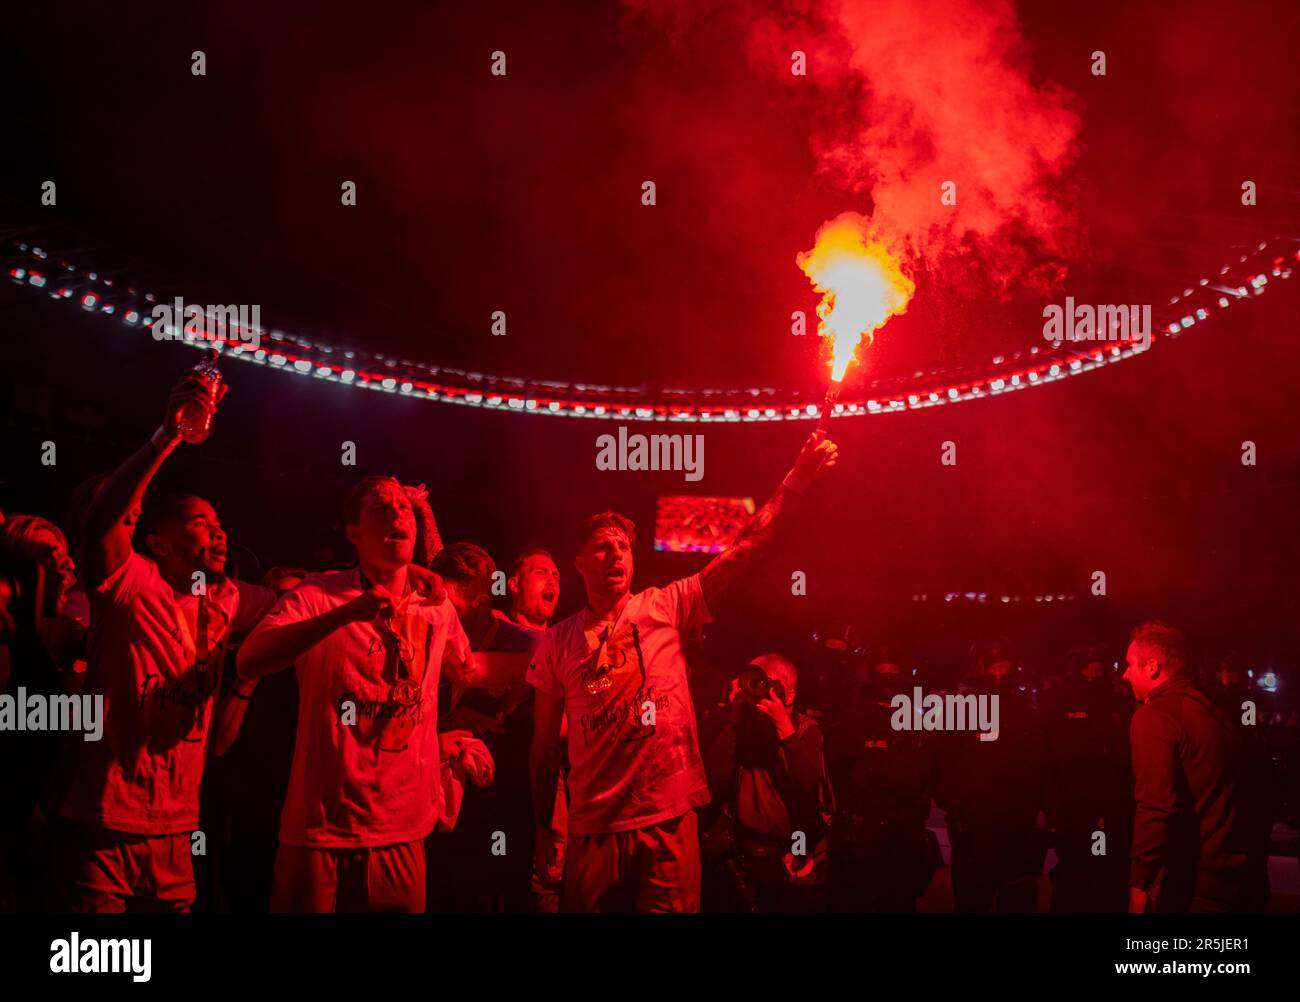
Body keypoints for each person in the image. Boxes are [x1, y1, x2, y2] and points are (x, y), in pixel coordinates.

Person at [527, 429, 838, 912]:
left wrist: (795, 480)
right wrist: (546, 828)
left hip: (667, 822)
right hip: (593, 829)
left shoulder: (667, 606)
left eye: (623, 547)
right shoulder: (557, 641)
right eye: (603, 547)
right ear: (580, 562)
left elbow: (744, 547)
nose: (615, 555)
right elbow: (545, 748)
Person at [49, 370, 276, 912]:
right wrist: (168, 435)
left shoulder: (224, 598)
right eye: (200, 523)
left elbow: (303, 599)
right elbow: (103, 518)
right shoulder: (131, 582)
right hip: (105, 818)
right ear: (156, 541)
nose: (218, 532)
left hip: (177, 826)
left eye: (219, 523)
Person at [237, 476, 478, 913]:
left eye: (404, 507)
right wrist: (345, 614)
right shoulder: (318, 594)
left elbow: (470, 669)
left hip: (403, 828)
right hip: (321, 830)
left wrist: (548, 651)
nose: (397, 514)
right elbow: (249, 661)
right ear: (354, 533)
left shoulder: (435, 604)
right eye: (381, 508)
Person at [1123, 621, 1270, 913]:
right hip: (1242, 877)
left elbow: (1156, 806)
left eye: (1130, 664)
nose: (1125, 674)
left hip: (1194, 885)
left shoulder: (1155, 717)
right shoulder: (1212, 709)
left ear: (1152, 667)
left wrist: (1139, 882)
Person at [426, 542, 539, 911]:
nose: (446, 617)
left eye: (457, 608)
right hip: (430, 803)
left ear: (484, 600)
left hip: (497, 805)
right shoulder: (424, 634)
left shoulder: (523, 644)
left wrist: (504, 710)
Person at [703, 654, 831, 912]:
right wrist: (734, 716)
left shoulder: (806, 729)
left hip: (794, 846)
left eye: (766, 683)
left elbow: (807, 780)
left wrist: (783, 726)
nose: (758, 689)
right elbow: (711, 783)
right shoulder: (742, 727)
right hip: (746, 849)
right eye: (753, 681)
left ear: (790, 695)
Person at [935, 639, 1046, 912]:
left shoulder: (1025, 708)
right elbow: (942, 762)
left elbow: (1039, 761)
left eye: (1004, 666)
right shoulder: (958, 709)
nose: (999, 673)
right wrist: (955, 807)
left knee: (1017, 894)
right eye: (993, 667)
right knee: (972, 896)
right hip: (973, 822)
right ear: (979, 667)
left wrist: (1036, 807)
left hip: (1017, 821)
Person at [828, 645, 940, 912]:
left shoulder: (918, 722)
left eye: (893, 672)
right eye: (883, 672)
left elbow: (930, 771)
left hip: (904, 832)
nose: (888, 679)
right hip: (862, 831)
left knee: (899, 901)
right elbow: (836, 770)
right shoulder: (852, 720)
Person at [1041, 643, 1133, 912]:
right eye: (1087, 669)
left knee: (1104, 859)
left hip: (1109, 799)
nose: (1092, 674)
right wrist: (1052, 805)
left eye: (1097, 669)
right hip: (1072, 800)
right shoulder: (1059, 698)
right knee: (1074, 862)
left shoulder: (1118, 699)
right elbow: (1048, 753)